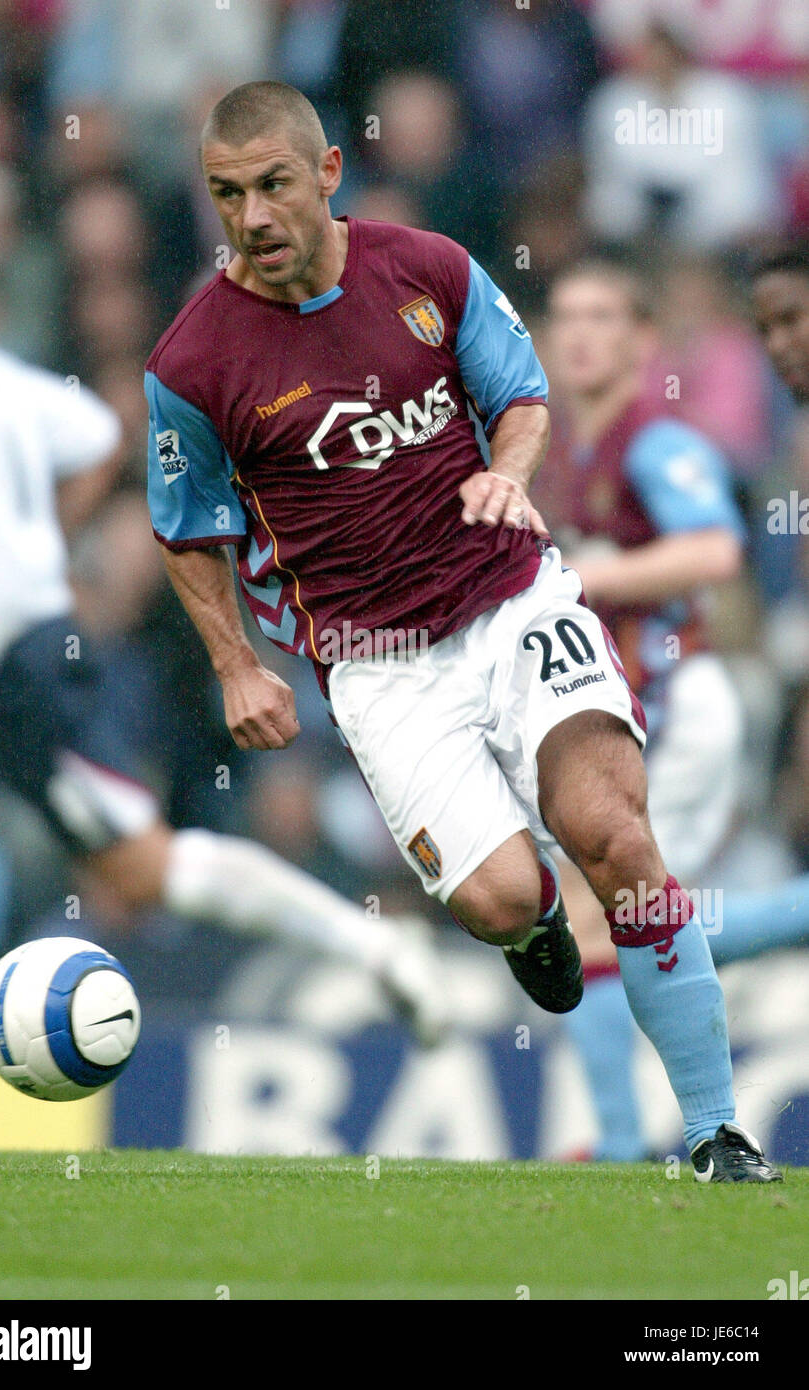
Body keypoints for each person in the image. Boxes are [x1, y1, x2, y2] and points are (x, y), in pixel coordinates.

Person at [145, 80, 781, 1181]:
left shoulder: (427, 269)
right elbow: (186, 530)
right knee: (501, 901)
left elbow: (520, 397)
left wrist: (504, 475)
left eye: (272, 186)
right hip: (377, 665)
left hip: (510, 598)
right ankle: (532, 930)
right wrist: (236, 665)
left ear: (328, 173)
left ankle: (714, 1130)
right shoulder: (192, 365)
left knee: (615, 837)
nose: (250, 217)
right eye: (226, 194)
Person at [0, 288, 447, 1049]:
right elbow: (96, 432)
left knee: (144, 868)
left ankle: (373, 945)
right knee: (144, 867)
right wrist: (40, 549)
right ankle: (370, 945)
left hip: (6, 672)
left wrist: (27, 560)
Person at [537, 259, 809, 1162]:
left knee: (601, 920)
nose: (579, 334)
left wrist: (587, 575)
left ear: (642, 340)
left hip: (680, 703)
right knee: (642, 920)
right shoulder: (571, 452)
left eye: (603, 316)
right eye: (566, 315)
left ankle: (617, 1146)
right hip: (630, 712)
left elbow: (715, 549)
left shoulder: (656, 441)